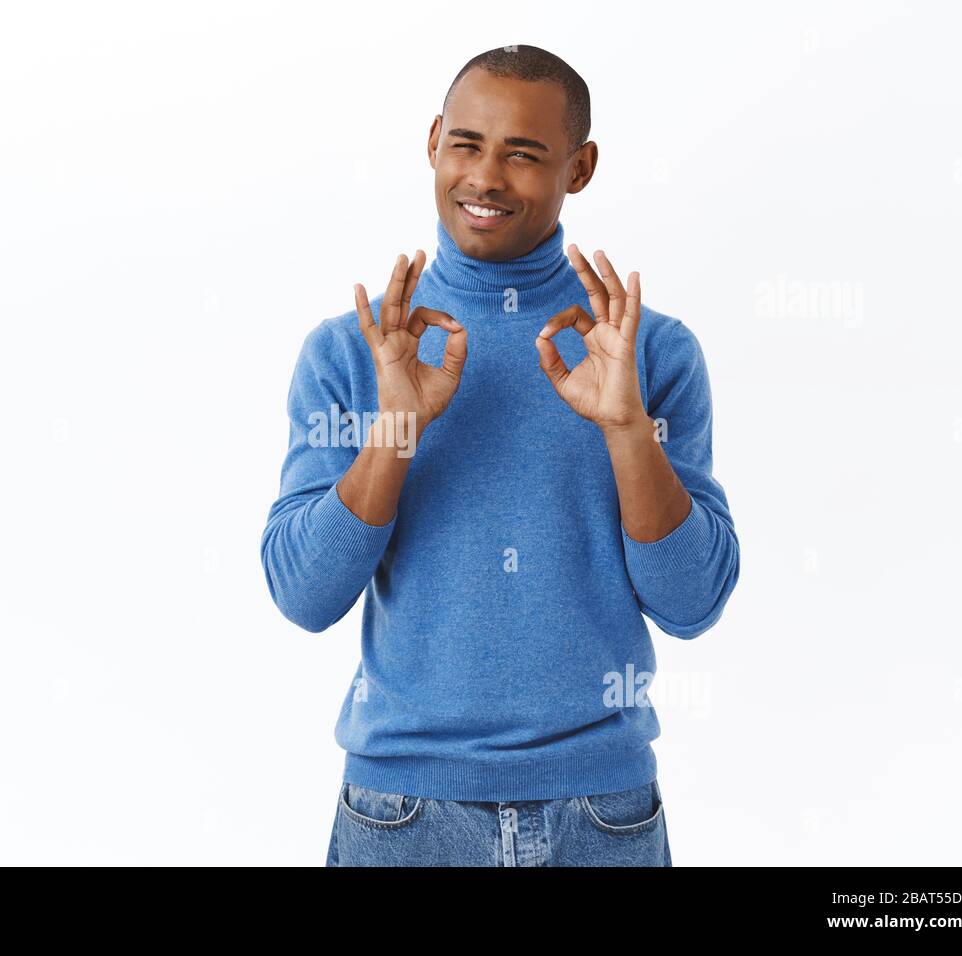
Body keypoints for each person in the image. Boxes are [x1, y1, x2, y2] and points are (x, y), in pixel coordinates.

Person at [260, 45, 740, 866]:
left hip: (602, 815)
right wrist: (395, 432)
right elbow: (304, 595)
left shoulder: (647, 353)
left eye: (523, 154)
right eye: (467, 144)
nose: (484, 177)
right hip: (402, 817)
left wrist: (627, 430)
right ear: (433, 141)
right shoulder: (356, 351)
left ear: (580, 168)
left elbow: (692, 603)